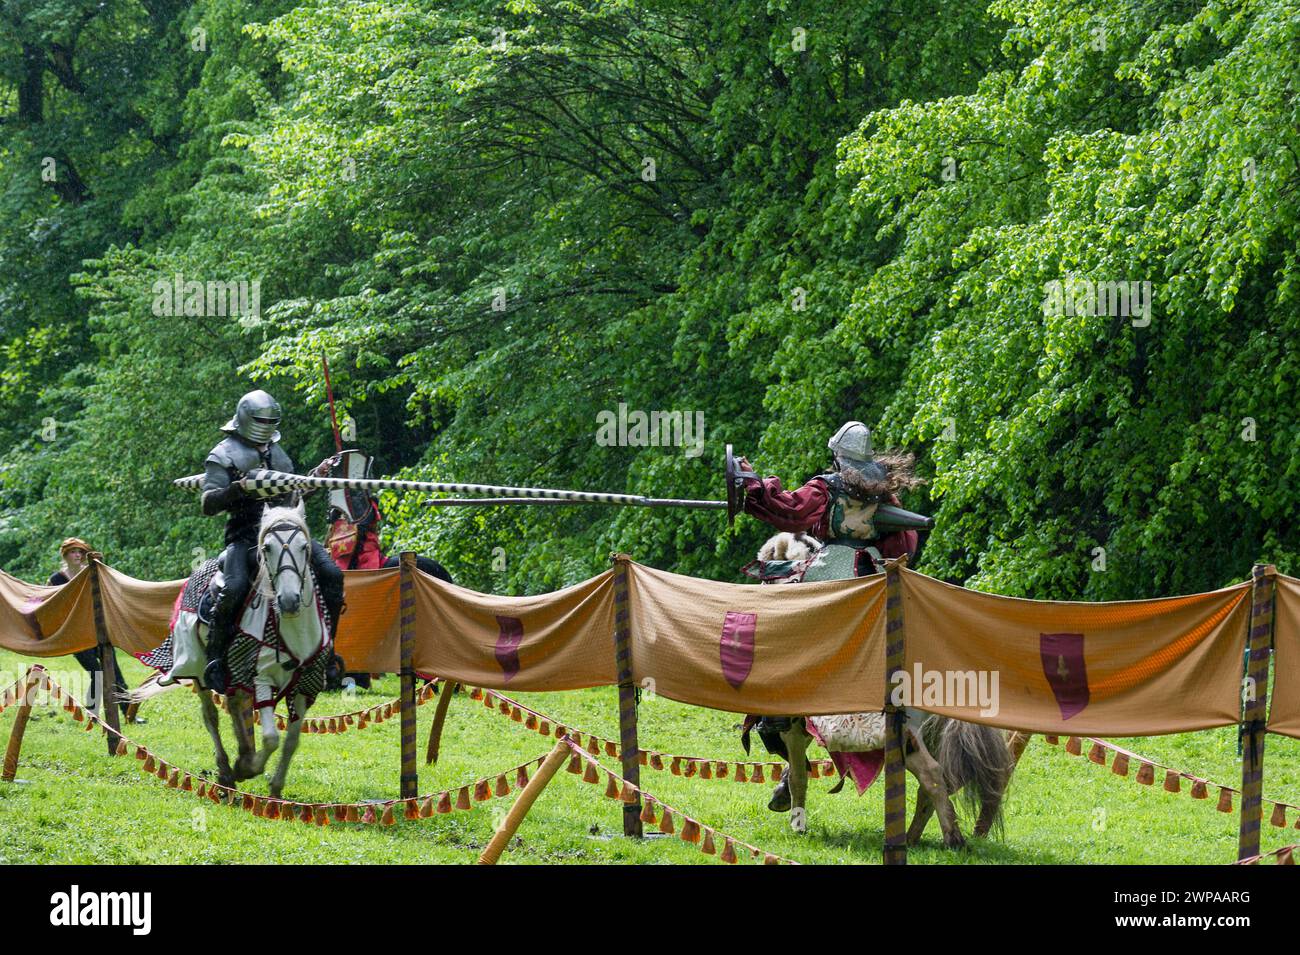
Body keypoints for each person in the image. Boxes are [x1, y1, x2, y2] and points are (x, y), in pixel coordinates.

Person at [738, 420, 927, 809]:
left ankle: (776, 714)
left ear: (838, 456)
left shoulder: (828, 486)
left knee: (775, 629)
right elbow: (905, 546)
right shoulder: (885, 496)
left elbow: (789, 513)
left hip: (831, 579)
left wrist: (752, 483)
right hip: (876, 585)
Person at [200, 390, 345, 693]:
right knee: (235, 587)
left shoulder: (278, 454)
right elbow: (208, 504)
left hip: (286, 532)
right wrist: (239, 488)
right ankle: (216, 660)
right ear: (245, 419)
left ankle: (327, 651)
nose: (265, 425)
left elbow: (290, 497)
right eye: (260, 419)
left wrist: (314, 478)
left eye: (270, 420)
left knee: (331, 574)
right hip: (246, 536)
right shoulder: (223, 454)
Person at [48, 538, 143, 723]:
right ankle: (93, 715)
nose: (78, 555)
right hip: (75, 636)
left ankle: (129, 715)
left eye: (81, 552)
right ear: (65, 555)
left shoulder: (91, 572)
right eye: (74, 552)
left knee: (115, 673)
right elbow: (51, 606)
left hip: (98, 630)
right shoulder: (56, 579)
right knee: (97, 674)